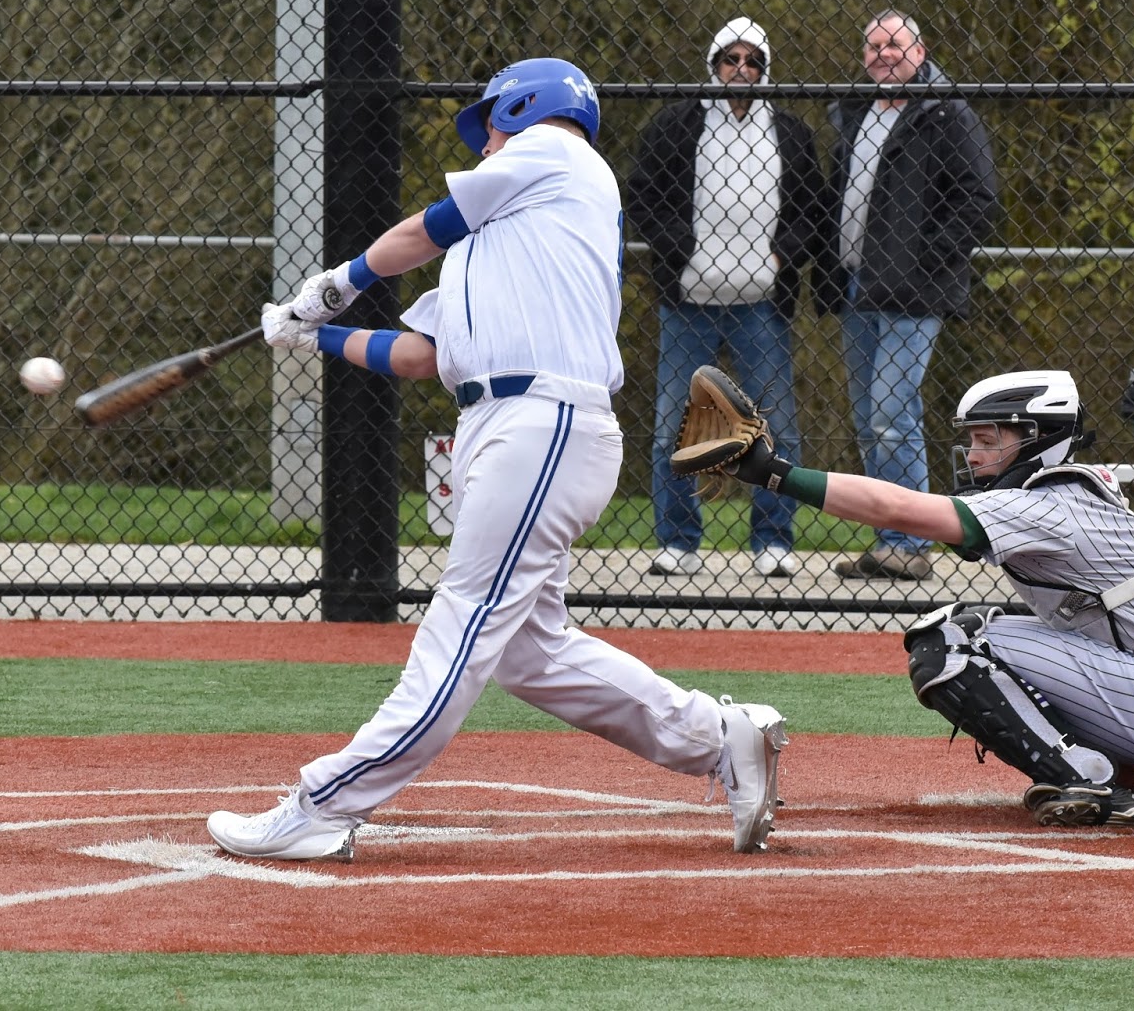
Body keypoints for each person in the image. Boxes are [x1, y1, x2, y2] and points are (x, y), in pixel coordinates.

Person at [205, 58, 787, 861]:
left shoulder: (557, 153)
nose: (487, 144)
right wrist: (315, 335)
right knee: (528, 650)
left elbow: (421, 229)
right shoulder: (511, 235)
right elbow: (418, 354)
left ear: (529, 105)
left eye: (493, 126)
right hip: (512, 425)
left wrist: (334, 283)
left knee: (465, 620)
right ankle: (719, 737)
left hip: (539, 420)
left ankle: (325, 801)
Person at [710, 368, 1134, 827]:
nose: (976, 454)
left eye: (989, 440)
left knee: (950, 639)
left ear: (1036, 437)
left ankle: (1088, 776)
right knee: (985, 629)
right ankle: (1108, 773)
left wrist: (771, 473)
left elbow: (897, 509)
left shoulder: (1048, 504)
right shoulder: (1068, 491)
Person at [626, 17, 826, 579]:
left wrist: (782, 255)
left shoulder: (789, 133)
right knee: (675, 420)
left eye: (753, 60)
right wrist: (682, 250)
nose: (742, 70)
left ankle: (772, 538)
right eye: (730, 59)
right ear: (713, 63)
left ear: (766, 68)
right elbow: (642, 194)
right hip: (687, 299)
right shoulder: (675, 125)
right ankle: (679, 541)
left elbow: (813, 207)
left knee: (774, 423)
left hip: (762, 301)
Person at [816, 9, 1000, 582]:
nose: (883, 55)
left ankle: (912, 541)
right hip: (858, 285)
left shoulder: (947, 114)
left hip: (913, 290)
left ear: (919, 53)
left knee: (893, 413)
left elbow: (979, 199)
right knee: (871, 418)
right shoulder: (858, 114)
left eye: (894, 45)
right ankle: (889, 538)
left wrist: (923, 259)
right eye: (873, 47)